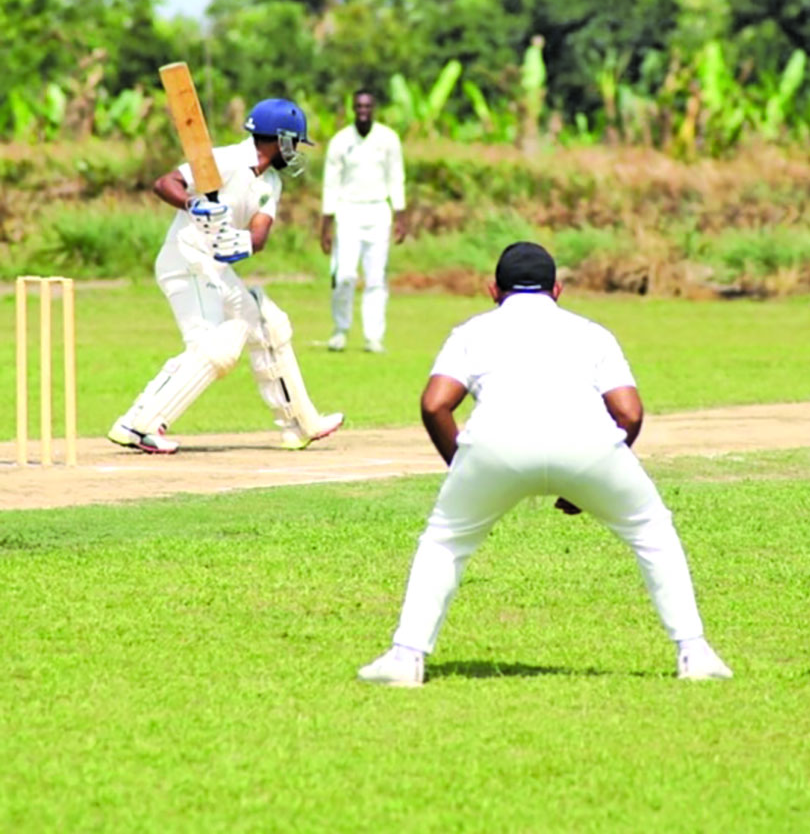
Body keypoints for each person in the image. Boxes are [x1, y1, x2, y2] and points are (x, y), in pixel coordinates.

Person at [358, 241, 732, 687]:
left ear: (493, 290)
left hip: (494, 445)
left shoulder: (472, 332)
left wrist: (466, 469)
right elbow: (629, 412)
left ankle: (405, 658)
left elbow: (435, 403)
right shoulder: (592, 333)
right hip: (589, 444)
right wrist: (590, 482)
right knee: (652, 531)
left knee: (445, 541)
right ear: (557, 290)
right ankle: (694, 653)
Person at [107, 98, 344, 455]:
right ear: (280, 139)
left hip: (215, 267)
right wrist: (193, 204)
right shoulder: (226, 160)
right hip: (185, 260)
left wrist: (239, 243)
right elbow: (165, 183)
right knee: (215, 348)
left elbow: (258, 236)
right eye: (294, 143)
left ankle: (300, 424)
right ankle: (138, 424)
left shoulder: (271, 183)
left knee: (266, 324)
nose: (295, 151)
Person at [320, 89, 406, 354]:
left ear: (374, 109)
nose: (363, 111)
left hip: (378, 211)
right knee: (345, 275)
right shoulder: (341, 141)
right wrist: (326, 225)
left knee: (376, 278)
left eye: (368, 106)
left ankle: (373, 337)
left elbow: (396, 177)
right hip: (348, 211)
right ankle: (340, 330)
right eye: (359, 106)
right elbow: (331, 184)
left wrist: (400, 214)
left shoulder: (388, 139)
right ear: (353, 109)